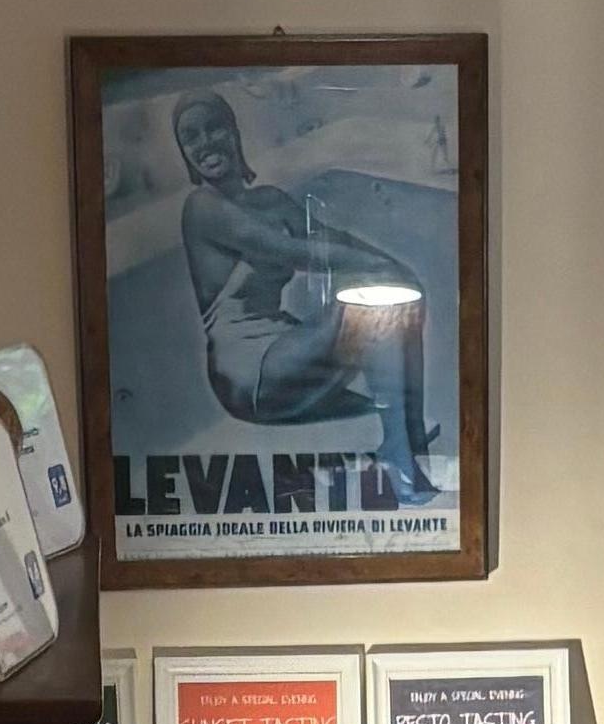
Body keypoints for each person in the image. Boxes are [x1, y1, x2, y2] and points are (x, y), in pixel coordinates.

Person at [167, 91, 441, 486]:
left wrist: (396, 269)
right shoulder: (200, 207)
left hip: (284, 347)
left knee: (399, 298)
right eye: (191, 137)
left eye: (215, 128)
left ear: (233, 132)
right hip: (247, 375)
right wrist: (381, 268)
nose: (205, 142)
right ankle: (401, 449)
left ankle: (407, 442)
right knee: (371, 307)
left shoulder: (271, 200)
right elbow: (290, 251)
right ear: (183, 151)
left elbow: (328, 238)